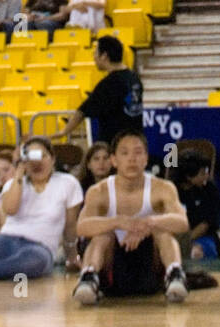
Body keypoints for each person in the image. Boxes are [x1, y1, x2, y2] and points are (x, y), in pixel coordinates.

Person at [73, 130, 189, 305]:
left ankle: (175, 275)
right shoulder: (99, 191)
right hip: (112, 263)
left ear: (146, 158)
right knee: (103, 234)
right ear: (114, 160)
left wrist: (149, 222)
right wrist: (117, 222)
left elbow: (182, 223)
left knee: (163, 230)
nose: (132, 159)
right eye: (125, 153)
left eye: (138, 152)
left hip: (150, 262)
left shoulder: (163, 188)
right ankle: (89, 278)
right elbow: (81, 227)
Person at [0, 136, 82, 283]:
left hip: (40, 248)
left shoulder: (67, 183)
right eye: (30, 157)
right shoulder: (14, 183)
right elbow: (10, 209)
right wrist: (19, 172)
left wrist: (72, 257)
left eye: (42, 156)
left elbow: (70, 226)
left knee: (30, 264)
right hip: (7, 239)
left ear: (53, 159)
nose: (37, 162)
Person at [58, 35, 143, 145]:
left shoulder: (109, 83)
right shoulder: (134, 78)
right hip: (136, 141)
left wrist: (63, 132)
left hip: (116, 145)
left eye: (95, 52)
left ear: (104, 56)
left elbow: (83, 111)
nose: (94, 57)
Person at [174, 151, 220, 259]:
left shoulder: (210, 190)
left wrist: (185, 242)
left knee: (196, 253)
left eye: (206, 172)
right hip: (175, 237)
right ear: (188, 176)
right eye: (202, 173)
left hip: (202, 238)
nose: (206, 176)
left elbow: (206, 224)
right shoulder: (172, 191)